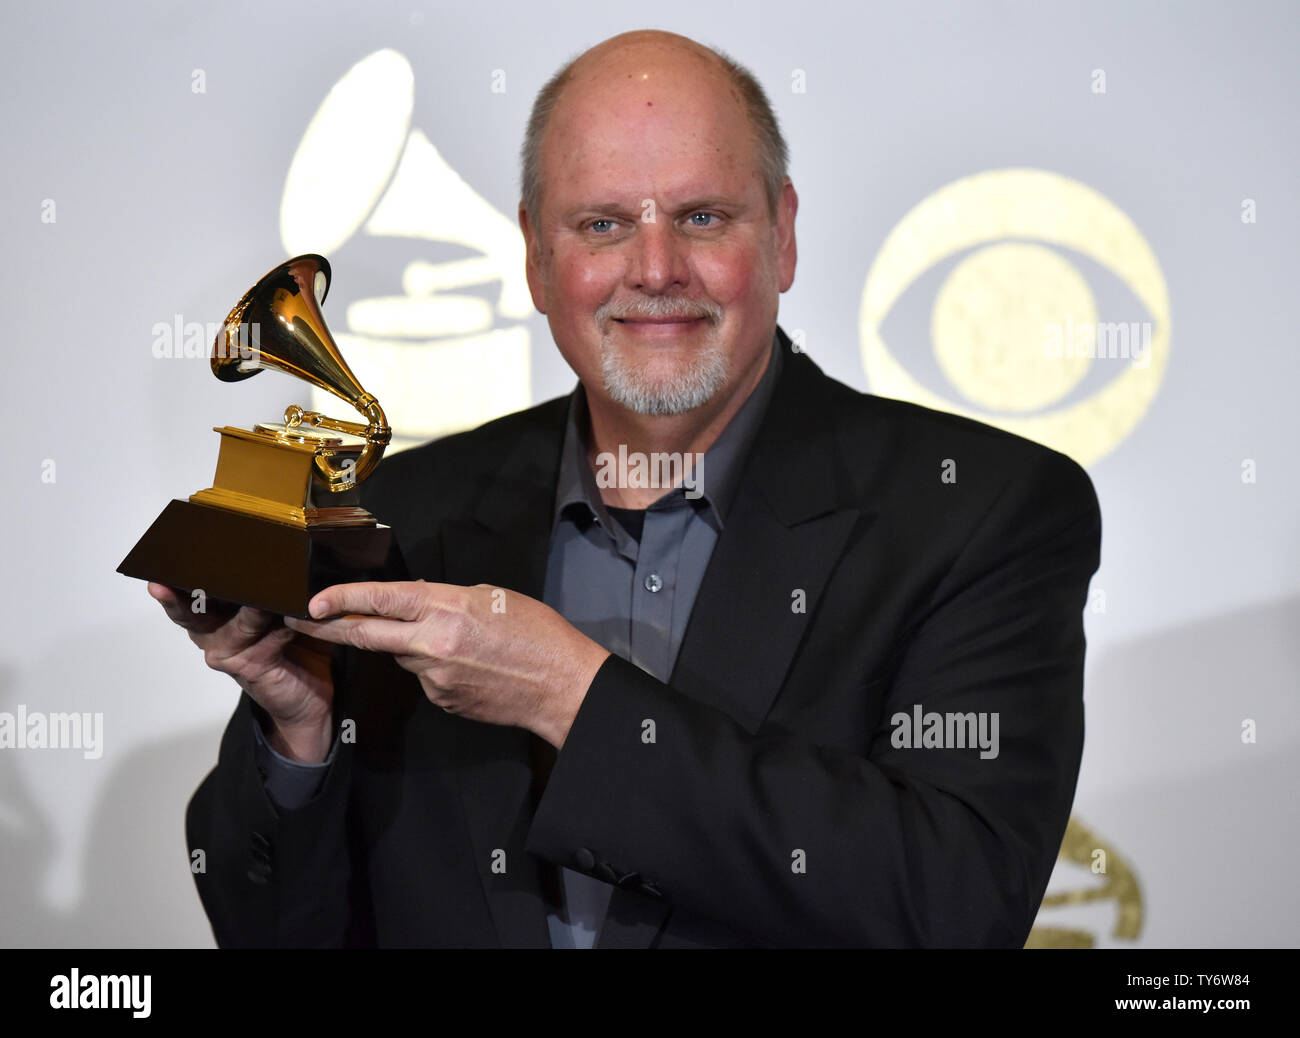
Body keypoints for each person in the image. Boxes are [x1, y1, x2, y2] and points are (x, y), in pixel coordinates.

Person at [158, 29, 1101, 948]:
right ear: (534, 257)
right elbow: (268, 928)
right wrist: (300, 730)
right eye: (602, 224)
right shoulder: (410, 509)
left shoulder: (985, 511)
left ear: (782, 235)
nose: (654, 271)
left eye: (702, 217)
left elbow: (956, 902)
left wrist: (571, 696)